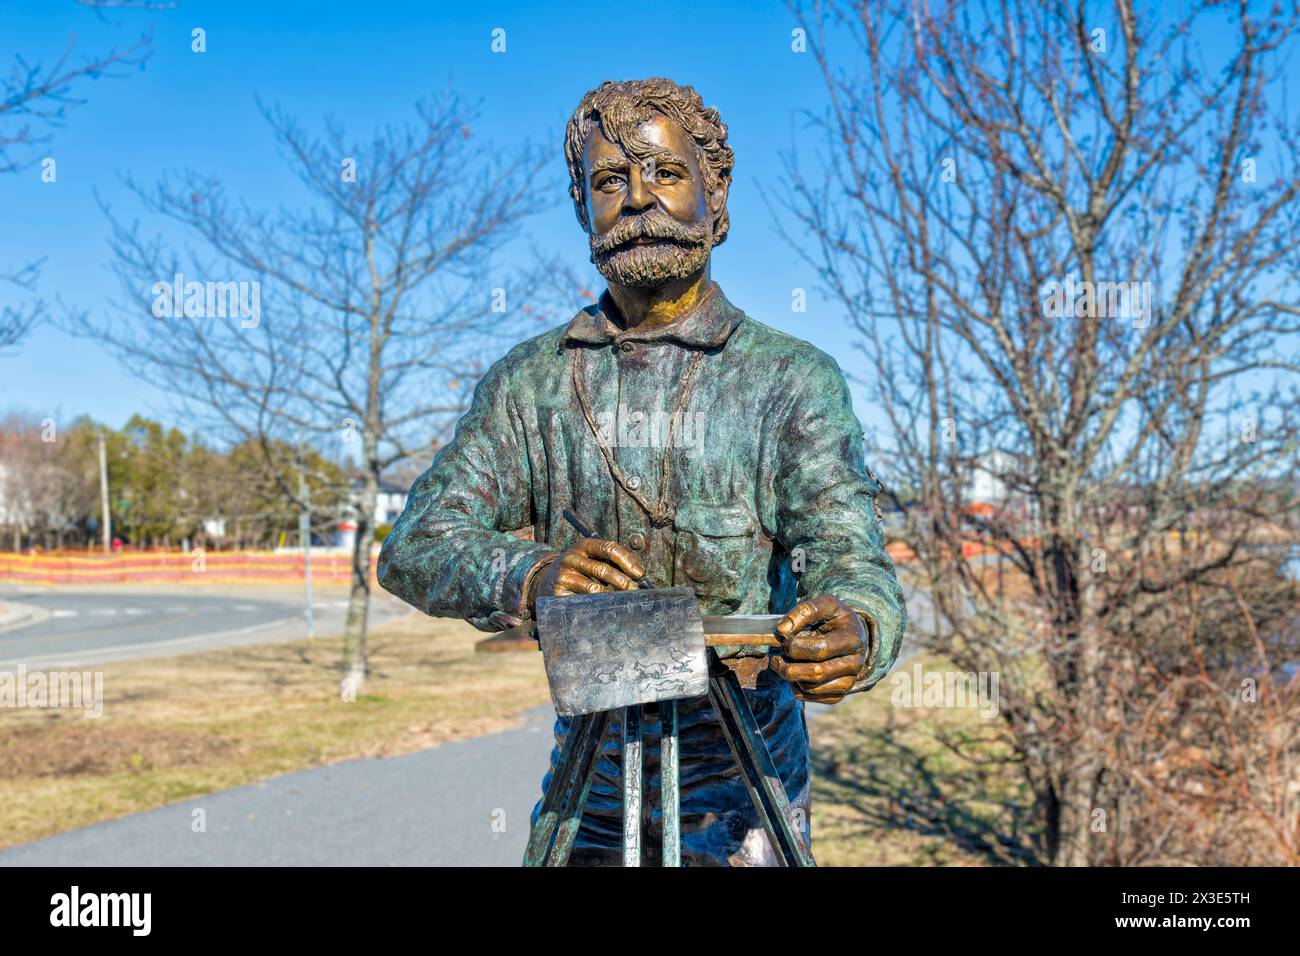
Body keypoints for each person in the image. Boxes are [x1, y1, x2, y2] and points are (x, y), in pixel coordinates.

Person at [379, 78, 906, 865]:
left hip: (747, 795)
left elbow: (850, 556)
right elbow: (414, 545)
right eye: (609, 181)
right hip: (591, 795)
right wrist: (532, 575)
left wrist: (858, 627)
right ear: (581, 205)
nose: (637, 200)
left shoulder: (791, 380)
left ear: (714, 192)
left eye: (664, 173)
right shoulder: (532, 384)